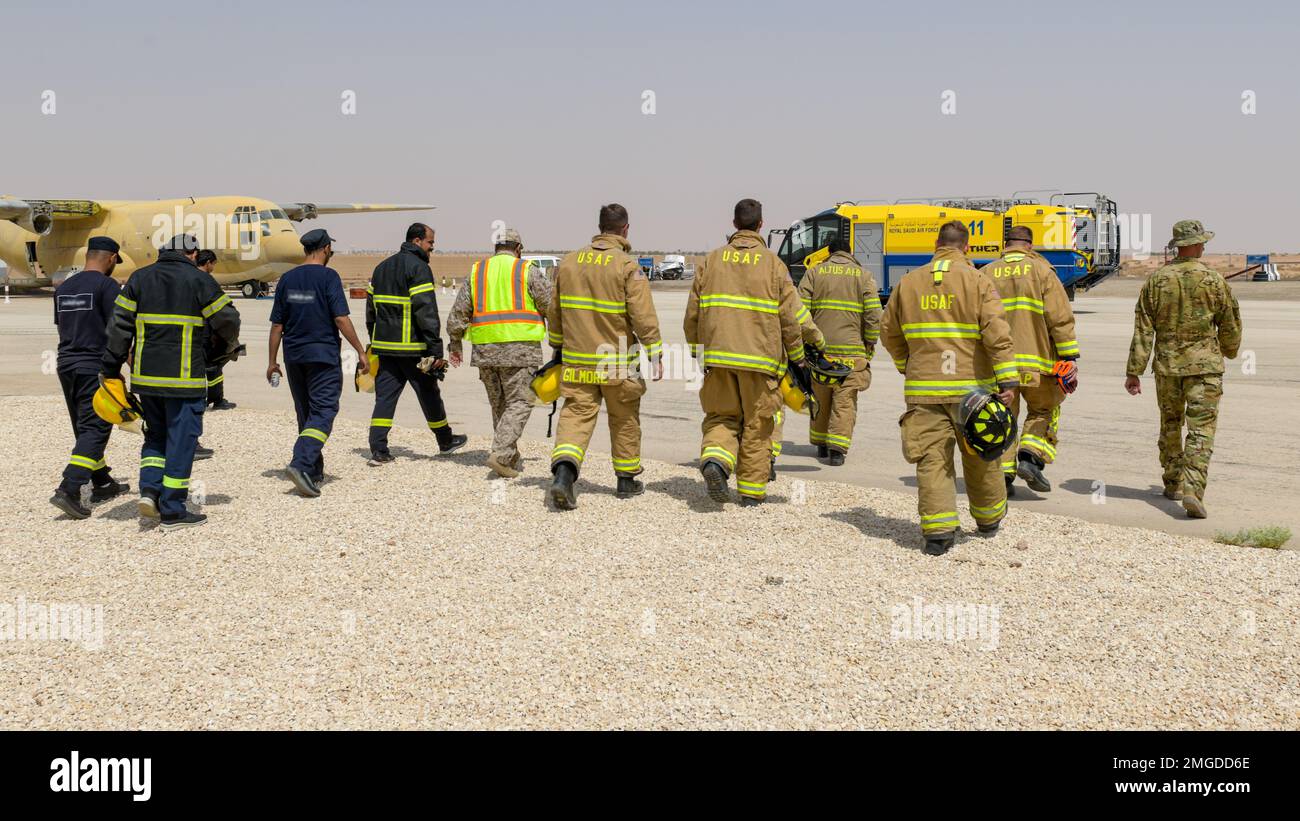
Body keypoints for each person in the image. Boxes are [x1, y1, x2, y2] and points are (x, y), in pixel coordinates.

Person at [880, 220, 1019, 555]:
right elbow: (997, 334)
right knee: (981, 457)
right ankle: (988, 521)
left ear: (936, 245)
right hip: (974, 392)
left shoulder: (908, 283)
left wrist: (907, 364)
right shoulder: (978, 281)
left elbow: (888, 332)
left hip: (925, 389)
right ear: (966, 248)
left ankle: (938, 534)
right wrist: (1009, 381)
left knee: (932, 459)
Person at [101, 234, 242, 531]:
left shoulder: (139, 278)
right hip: (185, 379)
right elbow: (228, 319)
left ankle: (150, 492)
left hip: (146, 379)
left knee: (155, 437)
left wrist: (112, 368)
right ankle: (174, 510)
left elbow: (119, 326)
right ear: (191, 254)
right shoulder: (199, 280)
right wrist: (222, 351)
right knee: (182, 441)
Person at [684, 198, 811, 506]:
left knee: (720, 417)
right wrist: (798, 358)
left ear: (734, 225)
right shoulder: (773, 265)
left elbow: (692, 316)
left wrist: (698, 354)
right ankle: (751, 494)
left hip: (718, 359)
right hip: (761, 363)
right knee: (758, 424)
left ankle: (716, 462)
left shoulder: (711, 261)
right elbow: (790, 319)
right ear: (761, 225)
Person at [545, 204, 663, 508]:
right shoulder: (626, 266)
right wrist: (655, 352)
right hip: (619, 362)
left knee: (575, 416)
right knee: (624, 418)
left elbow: (554, 312)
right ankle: (626, 481)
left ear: (600, 226)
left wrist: (557, 347)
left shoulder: (569, 263)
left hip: (576, 359)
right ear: (625, 229)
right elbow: (643, 315)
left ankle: (564, 477)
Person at [1125, 219, 1241, 519]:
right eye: (1202, 242)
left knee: (1171, 424)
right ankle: (1193, 489)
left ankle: (1173, 482)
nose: (1204, 246)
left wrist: (1134, 371)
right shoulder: (1215, 280)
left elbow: (1143, 329)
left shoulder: (1156, 281)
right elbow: (1230, 324)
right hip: (1205, 369)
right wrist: (1229, 351)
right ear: (1194, 245)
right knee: (1201, 430)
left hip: (1167, 368)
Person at [267, 229, 369, 497]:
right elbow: (340, 319)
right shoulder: (328, 277)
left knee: (306, 413)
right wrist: (359, 350)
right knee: (323, 411)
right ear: (325, 249)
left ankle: (312, 469)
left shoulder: (287, 279)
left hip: (294, 356)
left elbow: (277, 325)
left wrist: (272, 361)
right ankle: (300, 464)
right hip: (322, 356)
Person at [447, 227, 553, 477]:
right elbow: (551, 305)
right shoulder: (527, 270)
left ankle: (508, 458)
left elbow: (459, 311)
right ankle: (502, 452)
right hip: (520, 350)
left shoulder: (478, 272)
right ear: (518, 249)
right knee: (522, 401)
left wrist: (455, 342)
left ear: (495, 249)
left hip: (485, 352)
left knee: (500, 406)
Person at [982, 226, 1079, 494]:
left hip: (999, 367)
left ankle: (1003, 477)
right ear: (1029, 245)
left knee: (1002, 418)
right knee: (1043, 411)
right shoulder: (1042, 272)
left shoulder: (986, 273)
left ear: (1006, 244)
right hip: (1039, 366)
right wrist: (1069, 356)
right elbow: (1059, 318)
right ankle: (1030, 458)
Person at [365, 223, 467, 465]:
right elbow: (426, 313)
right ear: (418, 240)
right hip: (413, 349)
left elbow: (371, 312)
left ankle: (378, 450)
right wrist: (435, 350)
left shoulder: (381, 268)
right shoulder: (419, 268)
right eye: (431, 243)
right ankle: (445, 440)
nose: (432, 248)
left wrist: (376, 341)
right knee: (429, 393)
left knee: (385, 398)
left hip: (386, 349)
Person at [48, 236, 131, 518]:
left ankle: (102, 482)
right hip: (92, 366)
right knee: (96, 428)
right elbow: (119, 329)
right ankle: (69, 489)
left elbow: (63, 327)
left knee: (83, 427)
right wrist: (128, 363)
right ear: (110, 258)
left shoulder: (64, 287)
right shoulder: (106, 286)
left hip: (66, 365)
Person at [797, 236, 882, 466]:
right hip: (852, 353)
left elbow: (800, 311)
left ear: (830, 252)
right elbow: (874, 314)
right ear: (849, 252)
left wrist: (806, 342)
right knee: (845, 401)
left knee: (821, 397)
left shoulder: (814, 272)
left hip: (820, 352)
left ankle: (821, 445)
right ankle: (837, 451)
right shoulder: (864, 276)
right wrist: (870, 343)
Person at [197, 250, 236, 413]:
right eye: (213, 264)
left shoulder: (187, 276)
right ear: (208, 263)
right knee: (213, 365)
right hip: (206, 329)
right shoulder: (206, 280)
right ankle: (216, 399)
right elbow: (220, 309)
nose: (213, 267)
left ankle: (203, 399)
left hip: (192, 329)